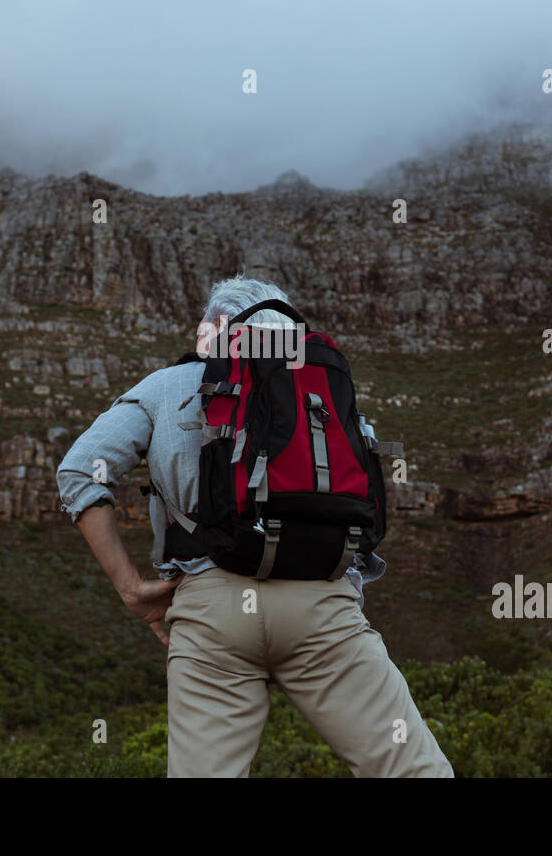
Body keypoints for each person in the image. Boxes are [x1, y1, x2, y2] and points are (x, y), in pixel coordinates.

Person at [57, 275, 453, 777]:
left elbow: (80, 469)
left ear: (213, 328)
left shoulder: (166, 387)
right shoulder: (320, 386)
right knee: (412, 769)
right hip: (320, 606)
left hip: (211, 612)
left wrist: (131, 588)